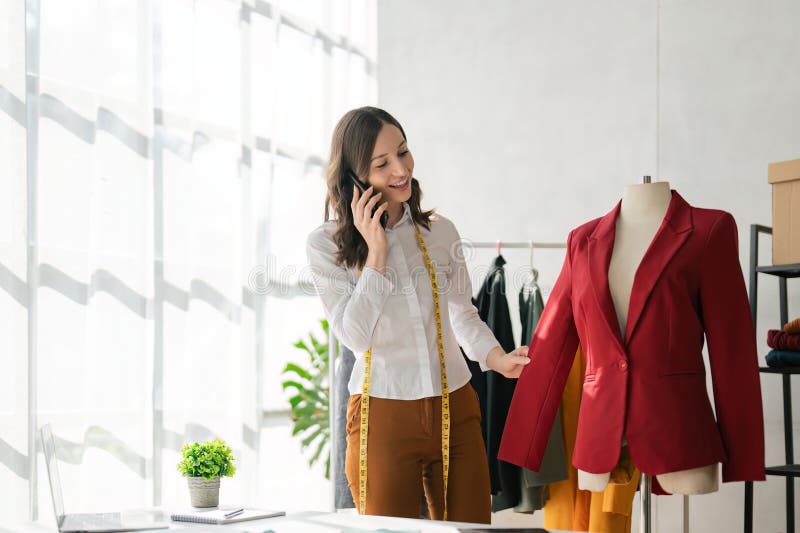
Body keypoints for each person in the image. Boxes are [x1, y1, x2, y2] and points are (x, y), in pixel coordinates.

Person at [306, 107, 530, 523]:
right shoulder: (325, 245)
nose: (400, 169)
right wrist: (377, 253)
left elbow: (463, 313)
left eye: (403, 152)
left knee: (472, 530)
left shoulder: (439, 231)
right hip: (383, 413)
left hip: (457, 405)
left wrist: (497, 358)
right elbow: (355, 336)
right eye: (382, 163)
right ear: (355, 175)